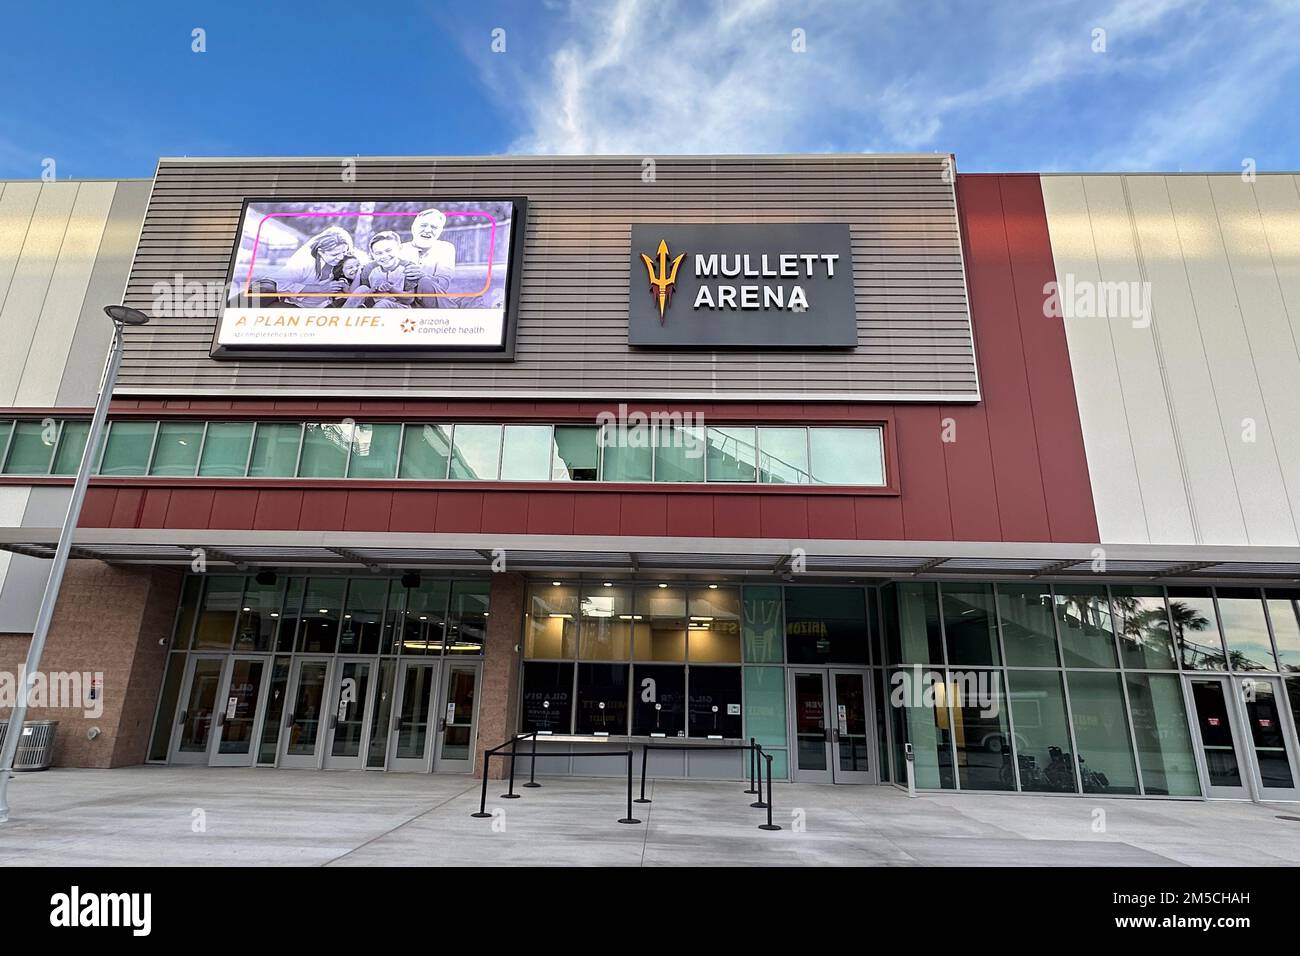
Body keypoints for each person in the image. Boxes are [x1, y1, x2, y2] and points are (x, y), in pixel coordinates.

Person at [399, 208, 456, 303]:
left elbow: (443, 284)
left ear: (440, 231)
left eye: (434, 227)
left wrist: (422, 276)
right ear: (413, 228)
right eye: (423, 225)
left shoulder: (446, 248)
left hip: (431, 305)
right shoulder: (399, 249)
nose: (428, 230)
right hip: (402, 302)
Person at [354, 231, 416, 308]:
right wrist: (373, 290)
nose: (384, 256)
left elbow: (410, 299)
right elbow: (366, 292)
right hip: (374, 306)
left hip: (400, 307)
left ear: (399, 249)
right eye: (379, 253)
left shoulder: (408, 267)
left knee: (382, 304)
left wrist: (391, 289)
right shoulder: (369, 268)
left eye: (388, 250)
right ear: (373, 255)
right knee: (362, 290)